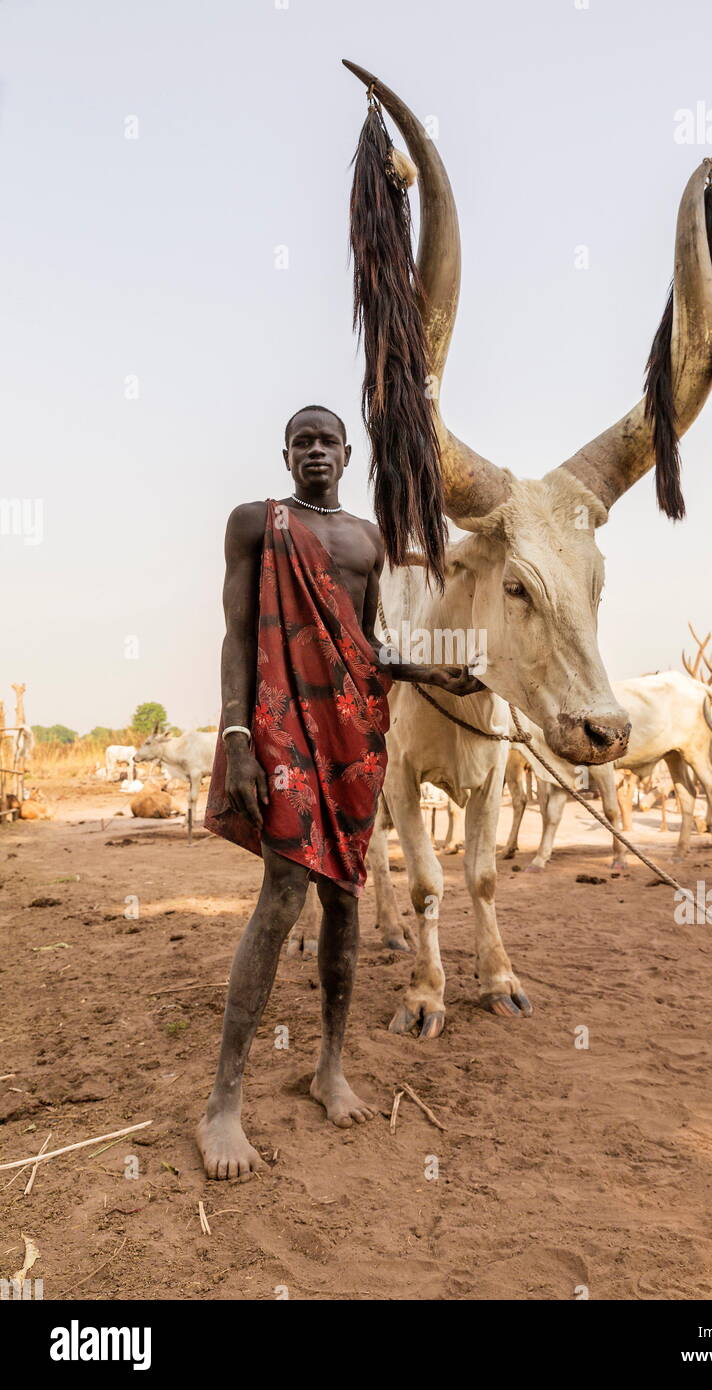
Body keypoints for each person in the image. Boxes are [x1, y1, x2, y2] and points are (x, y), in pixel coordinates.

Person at [196, 405, 482, 1179]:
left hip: (353, 727)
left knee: (347, 898)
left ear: (347, 453)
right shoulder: (257, 523)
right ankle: (223, 1103)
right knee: (284, 888)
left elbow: (365, 643)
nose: (315, 449)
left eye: (328, 440)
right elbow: (235, 635)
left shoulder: (367, 538)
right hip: (281, 720)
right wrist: (236, 738)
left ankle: (328, 1066)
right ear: (285, 452)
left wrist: (428, 672)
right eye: (302, 440)